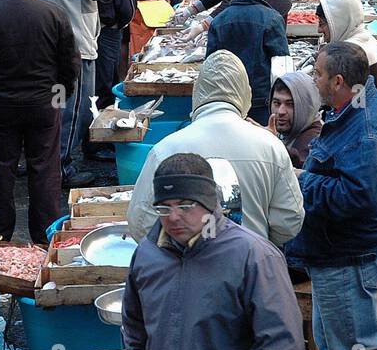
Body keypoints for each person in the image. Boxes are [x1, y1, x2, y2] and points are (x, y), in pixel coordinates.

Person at [122, 153, 305, 350]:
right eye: (164, 207)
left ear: (209, 203)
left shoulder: (254, 257)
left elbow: (280, 347)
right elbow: (134, 326)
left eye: (186, 205)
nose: (174, 217)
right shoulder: (147, 253)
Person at [286, 41, 377, 350]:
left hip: (348, 261)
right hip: (332, 257)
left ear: (337, 81)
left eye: (317, 74)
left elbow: (358, 197)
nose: (312, 79)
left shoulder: (367, 129)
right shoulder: (351, 109)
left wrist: (302, 181)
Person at [129, 51, 304, 245]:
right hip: (251, 266)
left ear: (198, 91)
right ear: (244, 92)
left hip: (187, 269)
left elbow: (140, 223)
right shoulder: (272, 147)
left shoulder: (165, 149)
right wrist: (259, 241)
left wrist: (177, 249)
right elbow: (289, 220)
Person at [0, 0, 79, 242]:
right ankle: (45, 237)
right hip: (44, 104)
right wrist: (60, 96)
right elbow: (70, 64)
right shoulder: (54, 14)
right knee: (45, 169)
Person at [34, 0, 114, 187]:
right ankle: (62, 168)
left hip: (45, 47)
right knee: (73, 109)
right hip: (76, 48)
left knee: (54, 107)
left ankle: (46, 162)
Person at [205, 0, 289, 125]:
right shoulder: (272, 18)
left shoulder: (219, 21)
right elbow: (282, 65)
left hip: (227, 101)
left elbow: (210, 65)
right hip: (260, 101)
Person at [317, 0, 377, 97]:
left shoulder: (350, 52)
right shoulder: (364, 37)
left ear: (339, 22)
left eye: (322, 24)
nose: (319, 30)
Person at [270, 72, 323, 167]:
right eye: (277, 103)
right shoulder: (294, 132)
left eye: (290, 104)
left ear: (308, 106)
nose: (281, 111)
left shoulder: (315, 142)